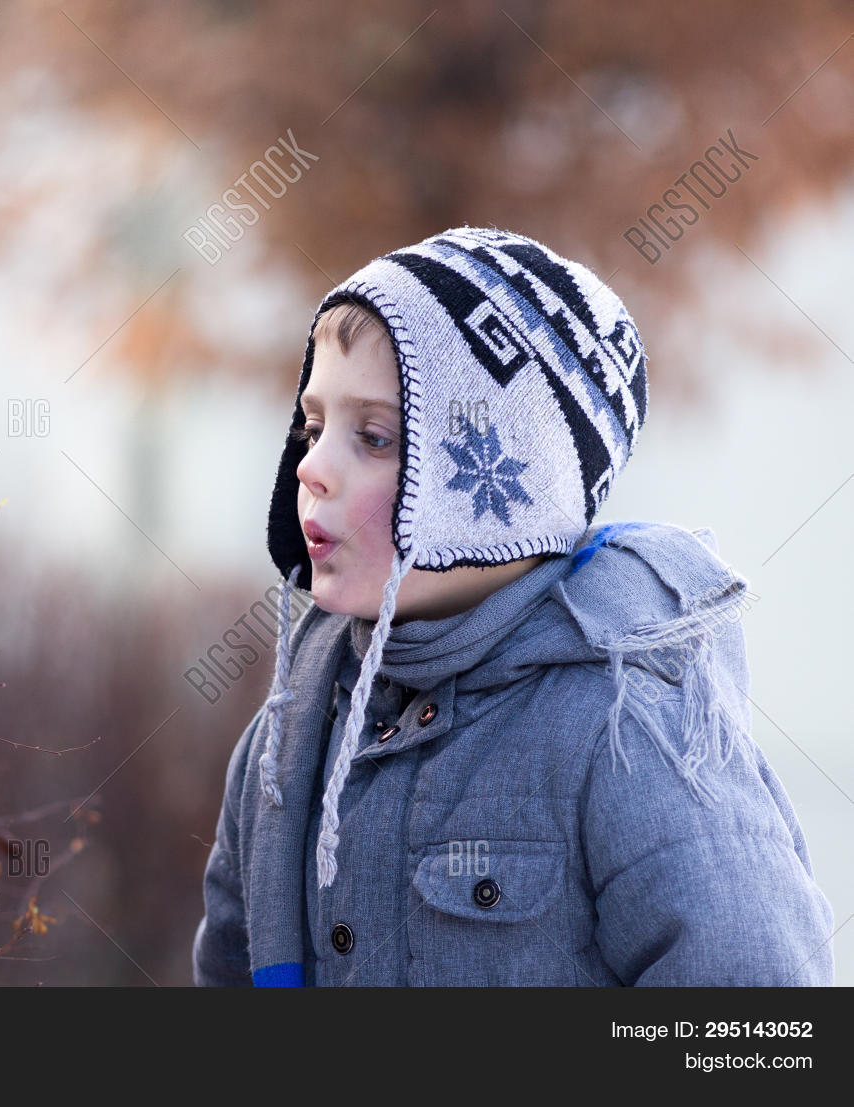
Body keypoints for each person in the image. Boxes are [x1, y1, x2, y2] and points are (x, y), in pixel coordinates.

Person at [193, 226, 834, 986]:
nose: (312, 466)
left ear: (499, 490)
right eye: (313, 425)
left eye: (372, 436)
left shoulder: (623, 729)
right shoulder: (290, 736)